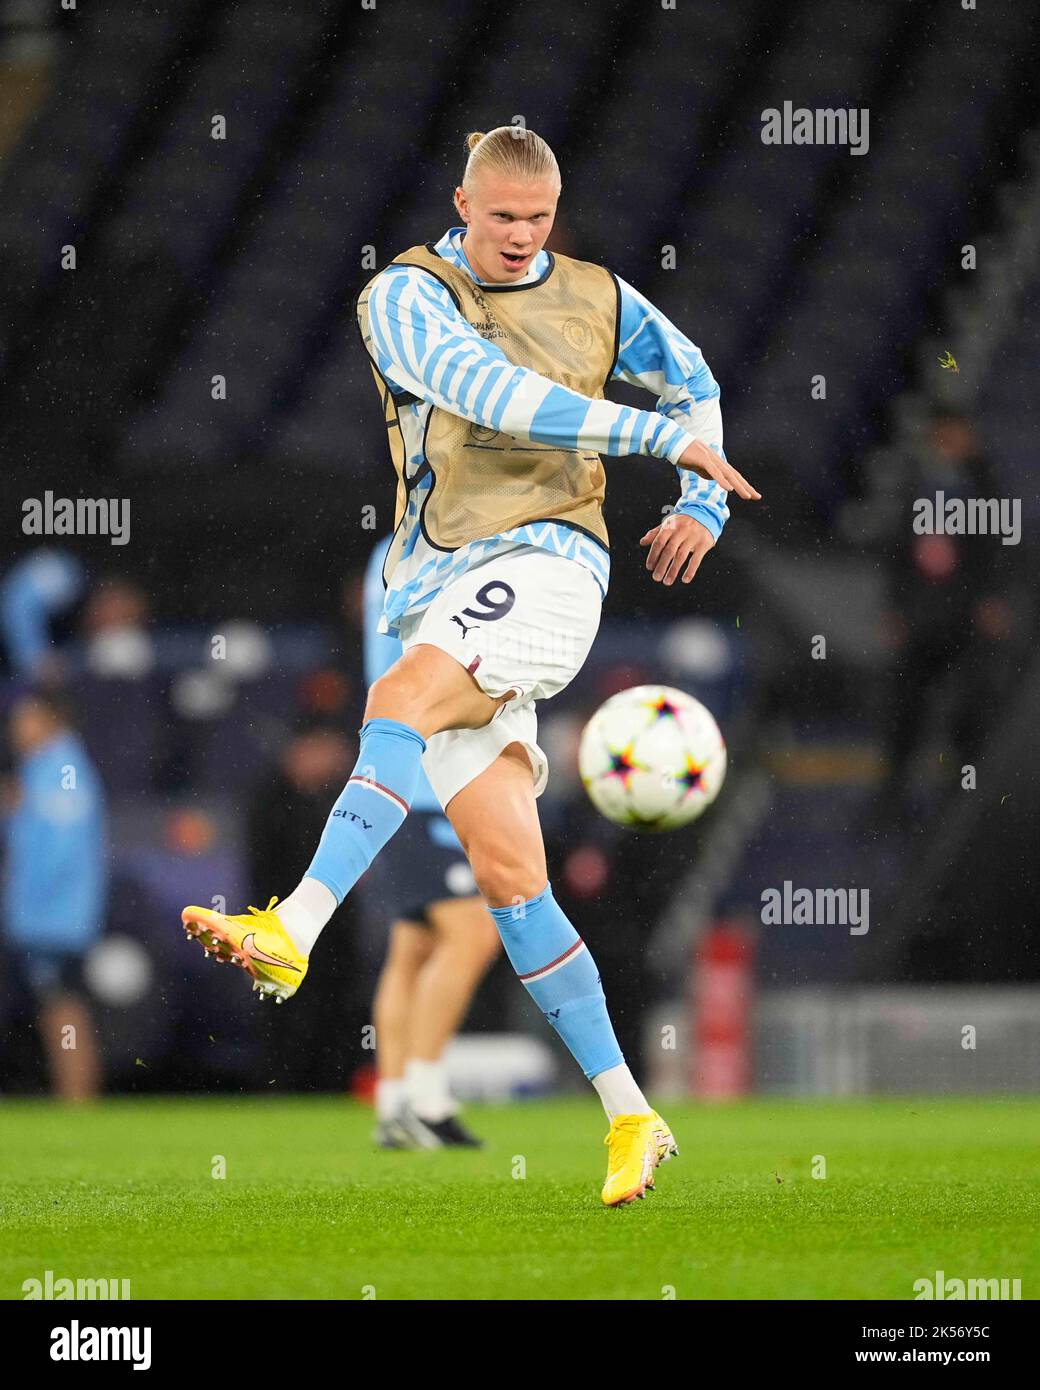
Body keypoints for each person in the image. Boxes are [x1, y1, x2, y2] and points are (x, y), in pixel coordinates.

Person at [182, 126, 760, 1205]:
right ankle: (632, 1114)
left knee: (397, 697)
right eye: (501, 217)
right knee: (510, 882)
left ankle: (290, 925)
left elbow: (692, 381)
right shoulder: (403, 297)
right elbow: (490, 394)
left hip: (548, 567)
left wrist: (699, 497)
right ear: (462, 204)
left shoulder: (600, 294)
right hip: (436, 586)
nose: (520, 237)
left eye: (536, 220)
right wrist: (657, 443)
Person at [362, 535, 500, 1149]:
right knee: (474, 931)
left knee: (413, 944)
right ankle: (424, 1097)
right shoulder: (441, 551)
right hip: (426, 779)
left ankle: (396, 1100)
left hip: (392, 769)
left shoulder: (392, 551)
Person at [2, 687, 107, 1100]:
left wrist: (26, 901)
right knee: (54, 1011)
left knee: (65, 1011)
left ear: (50, 720)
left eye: (25, 718)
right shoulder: (39, 769)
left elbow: (61, 851)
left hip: (56, 919)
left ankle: (77, 1098)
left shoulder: (64, 769)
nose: (15, 728)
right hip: (43, 917)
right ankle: (72, 1096)